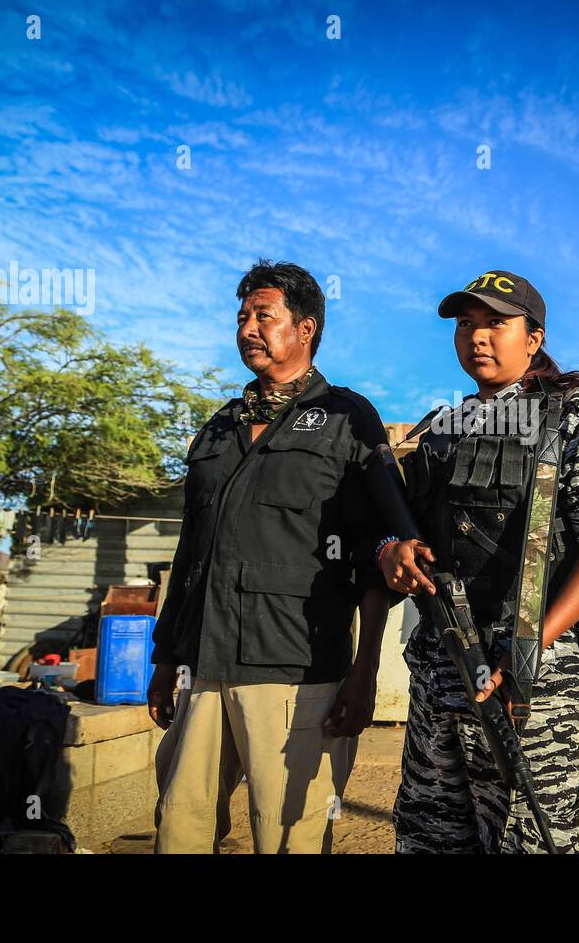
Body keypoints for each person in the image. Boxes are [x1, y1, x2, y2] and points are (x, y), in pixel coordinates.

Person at [380, 269, 579, 853]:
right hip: (444, 666)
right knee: (433, 833)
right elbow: (410, 535)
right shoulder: (441, 430)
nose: (477, 337)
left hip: (537, 678)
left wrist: (532, 642)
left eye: (497, 323)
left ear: (534, 337)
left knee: (531, 833)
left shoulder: (568, 414)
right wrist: (393, 549)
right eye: (467, 325)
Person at [147, 259, 391, 853]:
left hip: (296, 672)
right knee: (179, 826)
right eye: (241, 318)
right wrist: (165, 656)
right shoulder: (219, 427)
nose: (248, 328)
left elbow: (378, 556)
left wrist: (364, 674)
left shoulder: (346, 419)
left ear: (304, 329)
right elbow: (191, 552)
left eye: (264, 316)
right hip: (202, 667)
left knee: (290, 837)